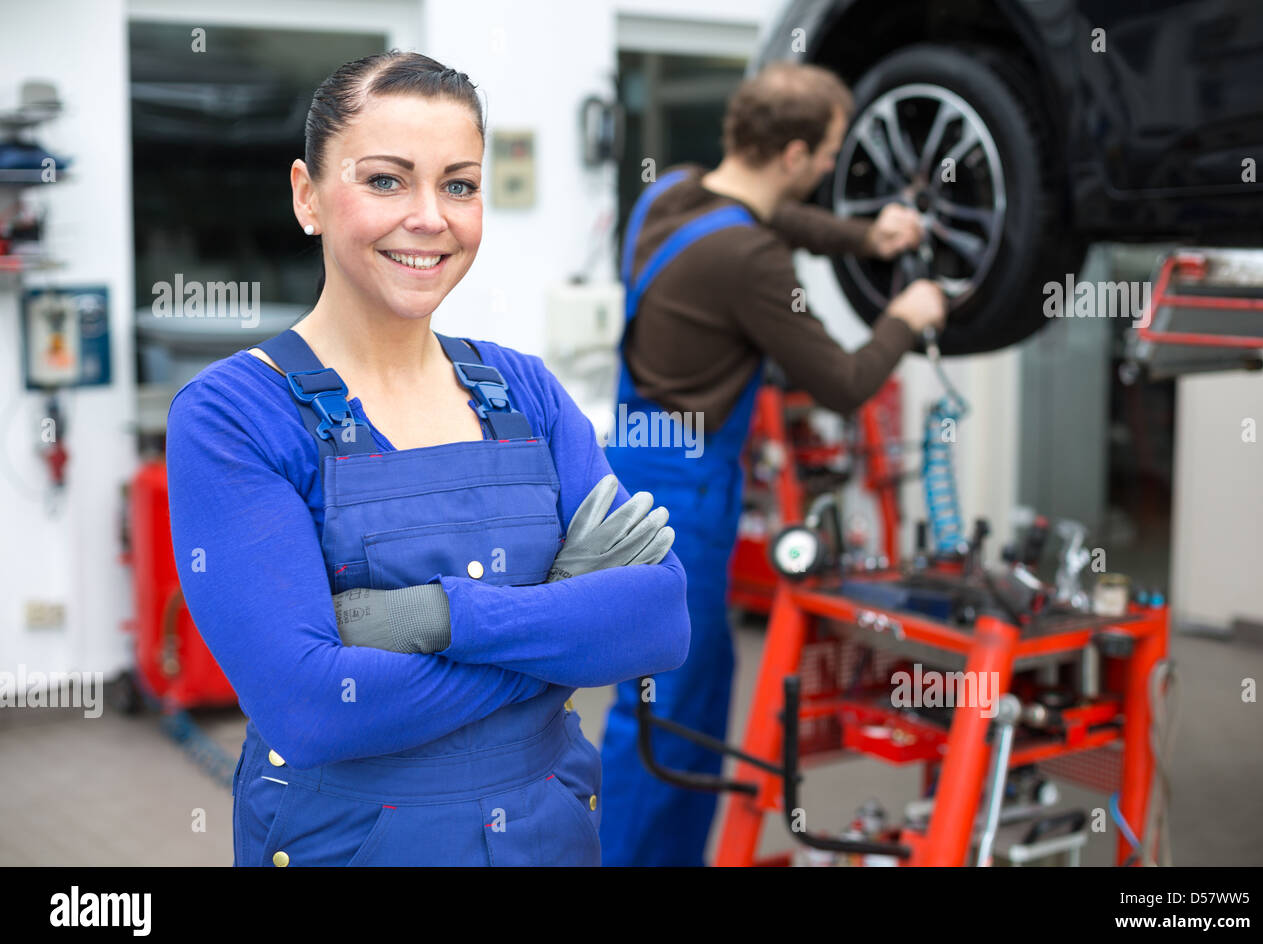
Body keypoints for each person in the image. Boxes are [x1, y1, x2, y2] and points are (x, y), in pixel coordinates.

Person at [166, 51, 689, 867]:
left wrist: (434, 619)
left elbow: (659, 620)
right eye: (384, 180)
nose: (429, 217)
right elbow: (313, 707)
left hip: (549, 837)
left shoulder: (527, 392)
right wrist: (560, 637)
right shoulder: (233, 416)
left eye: (458, 183)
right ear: (307, 196)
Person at [598, 62, 948, 866]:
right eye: (825, 154)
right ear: (793, 153)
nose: (830, 168)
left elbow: (781, 222)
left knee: (669, 690)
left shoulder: (672, 194)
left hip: (632, 467)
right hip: (684, 496)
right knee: (671, 707)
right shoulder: (753, 263)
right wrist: (904, 315)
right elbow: (846, 382)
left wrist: (866, 236)